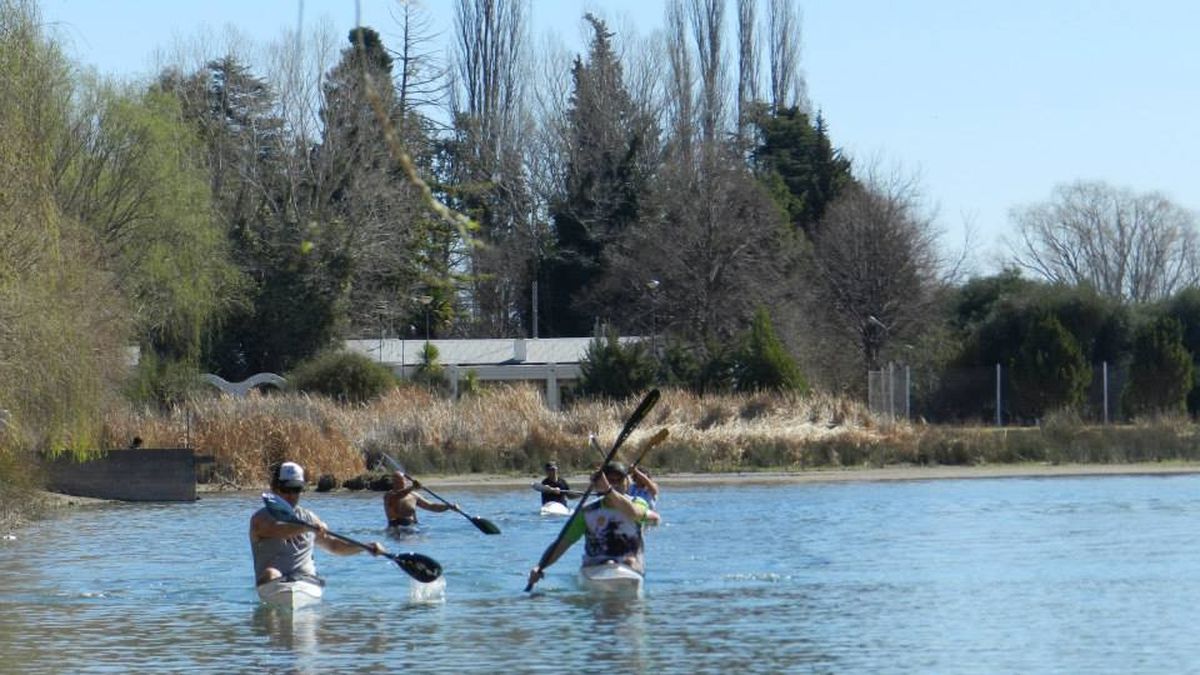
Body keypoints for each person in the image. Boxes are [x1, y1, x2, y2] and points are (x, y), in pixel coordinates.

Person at [249, 461, 384, 587]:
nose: (291, 495)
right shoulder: (260, 519)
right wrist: (306, 527)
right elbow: (277, 530)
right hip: (272, 585)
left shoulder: (310, 517)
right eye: (286, 489)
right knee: (271, 574)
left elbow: (334, 545)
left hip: (306, 583)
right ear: (274, 489)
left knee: (311, 575)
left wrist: (365, 547)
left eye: (296, 489)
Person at [527, 461, 649, 587]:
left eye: (619, 480)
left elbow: (634, 513)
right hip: (596, 569)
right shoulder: (587, 512)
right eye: (610, 480)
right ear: (602, 484)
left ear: (627, 482)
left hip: (630, 570)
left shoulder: (639, 503)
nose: (615, 485)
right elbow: (562, 543)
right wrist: (540, 567)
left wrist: (608, 489)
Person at [384, 471, 457, 528]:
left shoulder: (413, 495)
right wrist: (412, 487)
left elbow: (431, 506)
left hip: (412, 526)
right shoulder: (389, 495)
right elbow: (397, 496)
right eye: (395, 481)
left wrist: (448, 507)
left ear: (405, 481)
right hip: (396, 527)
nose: (397, 483)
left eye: (400, 480)